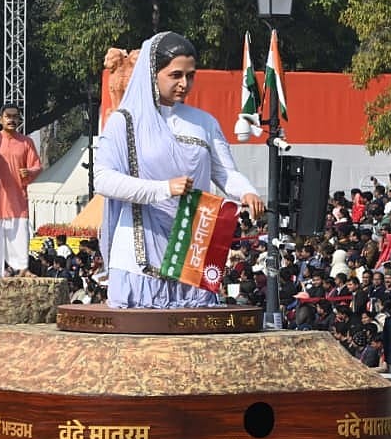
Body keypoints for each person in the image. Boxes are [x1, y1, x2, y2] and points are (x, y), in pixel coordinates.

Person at [94, 31, 264, 308]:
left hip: (192, 242)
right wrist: (162, 189)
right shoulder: (124, 121)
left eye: (190, 75)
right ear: (152, 73)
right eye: (175, 75)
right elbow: (102, 180)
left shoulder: (203, 122)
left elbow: (224, 173)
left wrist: (246, 191)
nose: (184, 84)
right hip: (138, 248)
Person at [0, 103, 42, 277]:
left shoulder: (26, 142)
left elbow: (37, 166)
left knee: (20, 231)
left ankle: (22, 267)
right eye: (8, 116)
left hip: (17, 198)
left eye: (15, 116)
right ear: (0, 119)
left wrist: (28, 172)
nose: (12, 120)